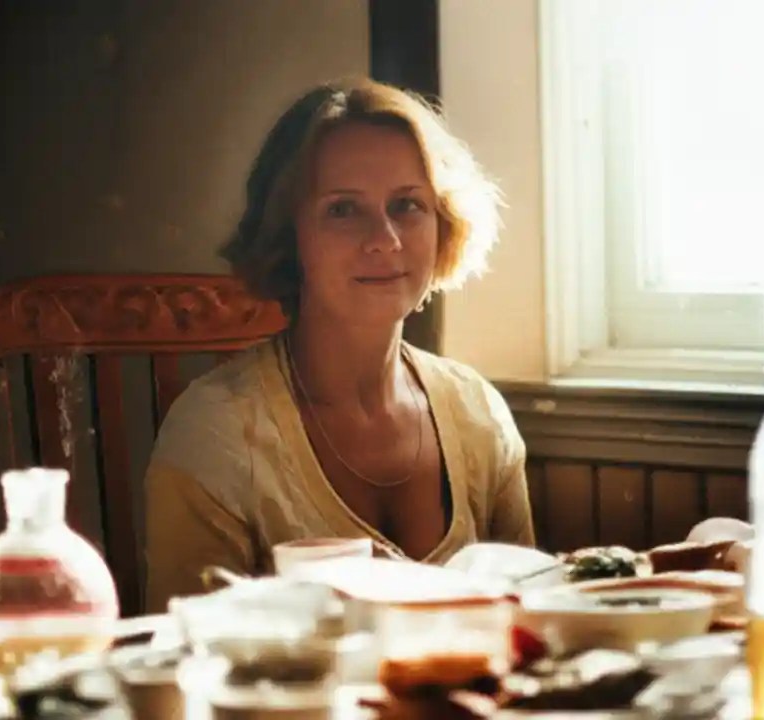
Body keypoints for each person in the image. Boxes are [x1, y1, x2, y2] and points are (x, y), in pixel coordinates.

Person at [142, 78, 534, 611]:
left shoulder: (478, 413)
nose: (386, 238)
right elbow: (189, 659)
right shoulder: (216, 434)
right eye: (343, 210)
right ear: (288, 235)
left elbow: (531, 620)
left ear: (444, 225)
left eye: (408, 205)